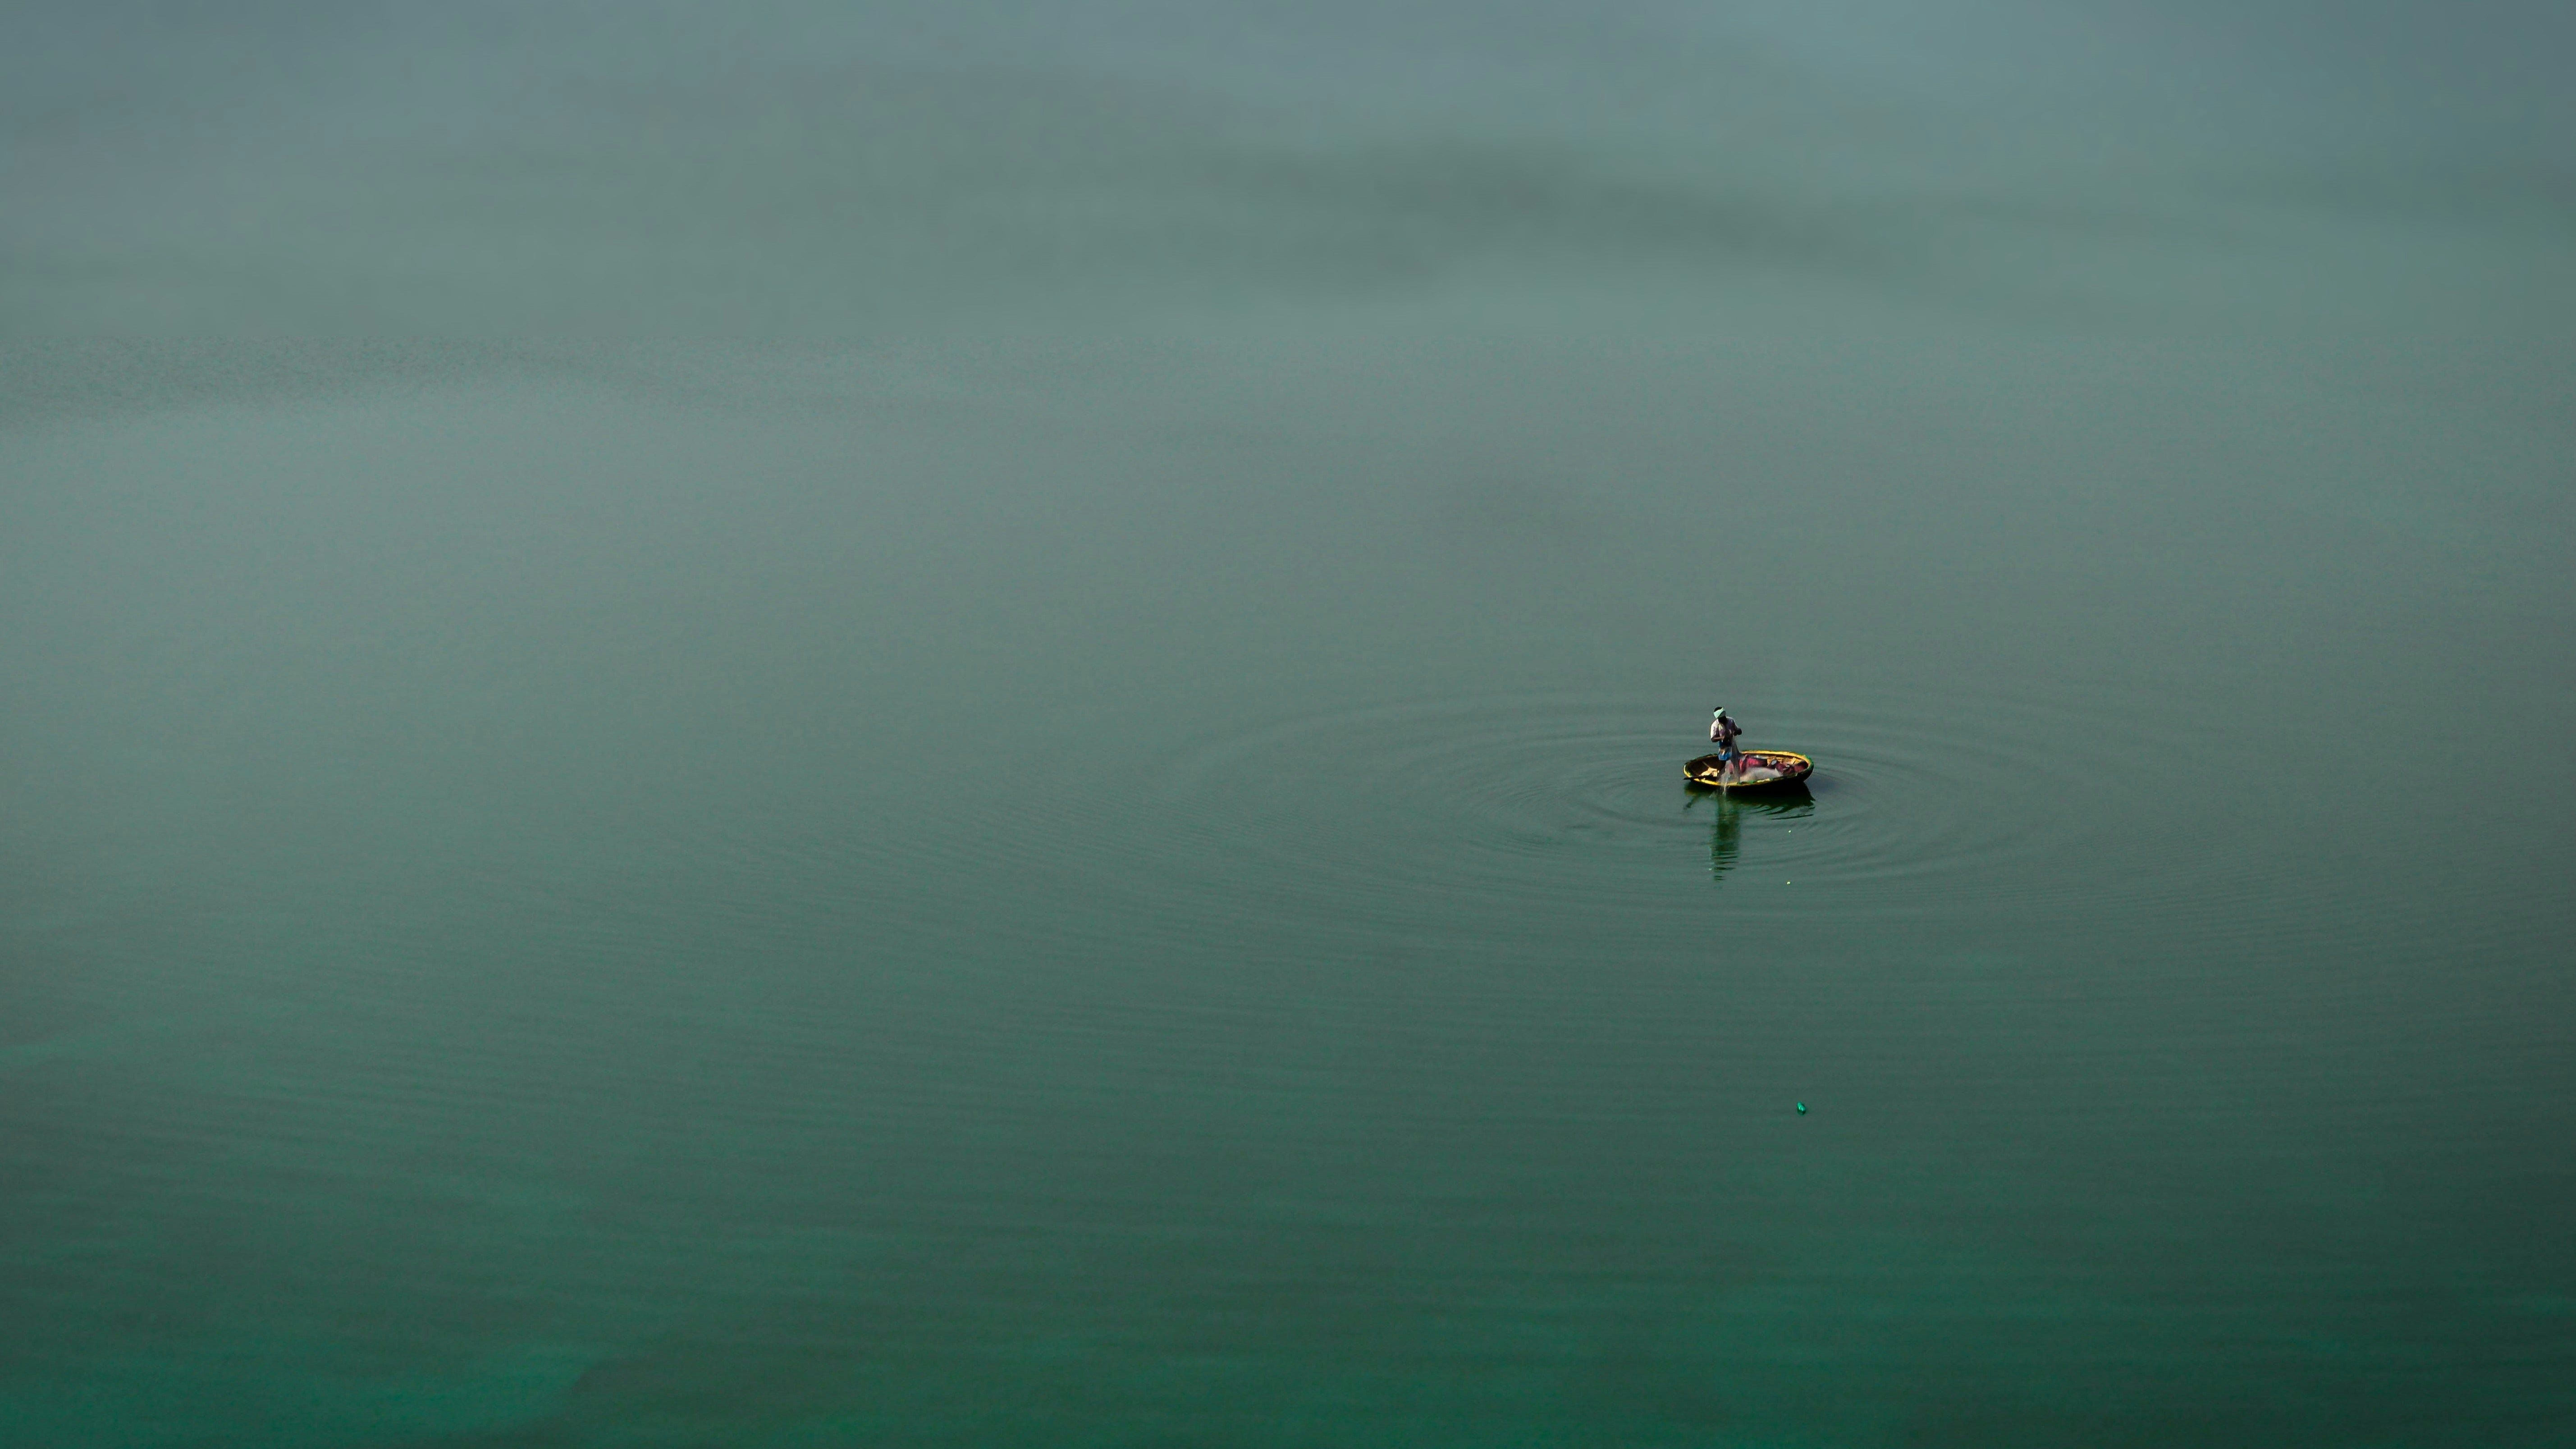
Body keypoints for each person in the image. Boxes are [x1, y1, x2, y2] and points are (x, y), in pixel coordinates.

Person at [1709, 708, 1744, 782]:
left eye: (1722, 719)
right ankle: (1718, 779)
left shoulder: (1731, 721)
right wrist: (1722, 737)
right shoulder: (1715, 725)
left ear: (1724, 717)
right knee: (1722, 763)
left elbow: (1737, 730)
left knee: (1736, 762)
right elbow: (1713, 739)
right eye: (1720, 719)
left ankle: (1737, 779)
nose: (1721, 721)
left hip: (1732, 744)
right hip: (1723, 747)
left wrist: (1738, 731)